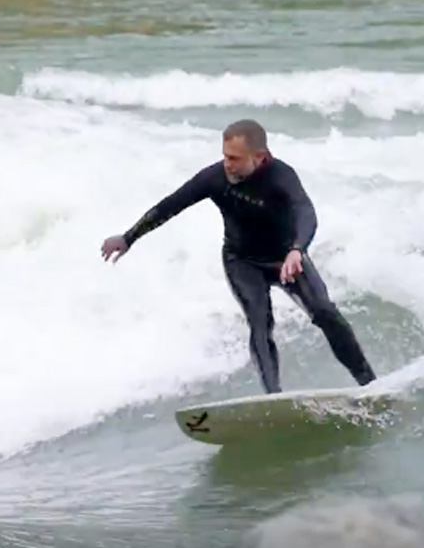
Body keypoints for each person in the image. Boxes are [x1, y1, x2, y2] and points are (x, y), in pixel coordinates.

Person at [99, 119, 377, 393]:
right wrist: (128, 237)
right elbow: (171, 205)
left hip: (286, 258)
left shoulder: (281, 176)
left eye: (234, 158)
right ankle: (274, 397)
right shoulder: (214, 177)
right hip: (242, 261)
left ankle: (370, 383)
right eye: (224, 156)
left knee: (325, 312)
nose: (227, 163)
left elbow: (306, 211)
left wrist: (297, 250)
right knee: (259, 322)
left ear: (260, 157)